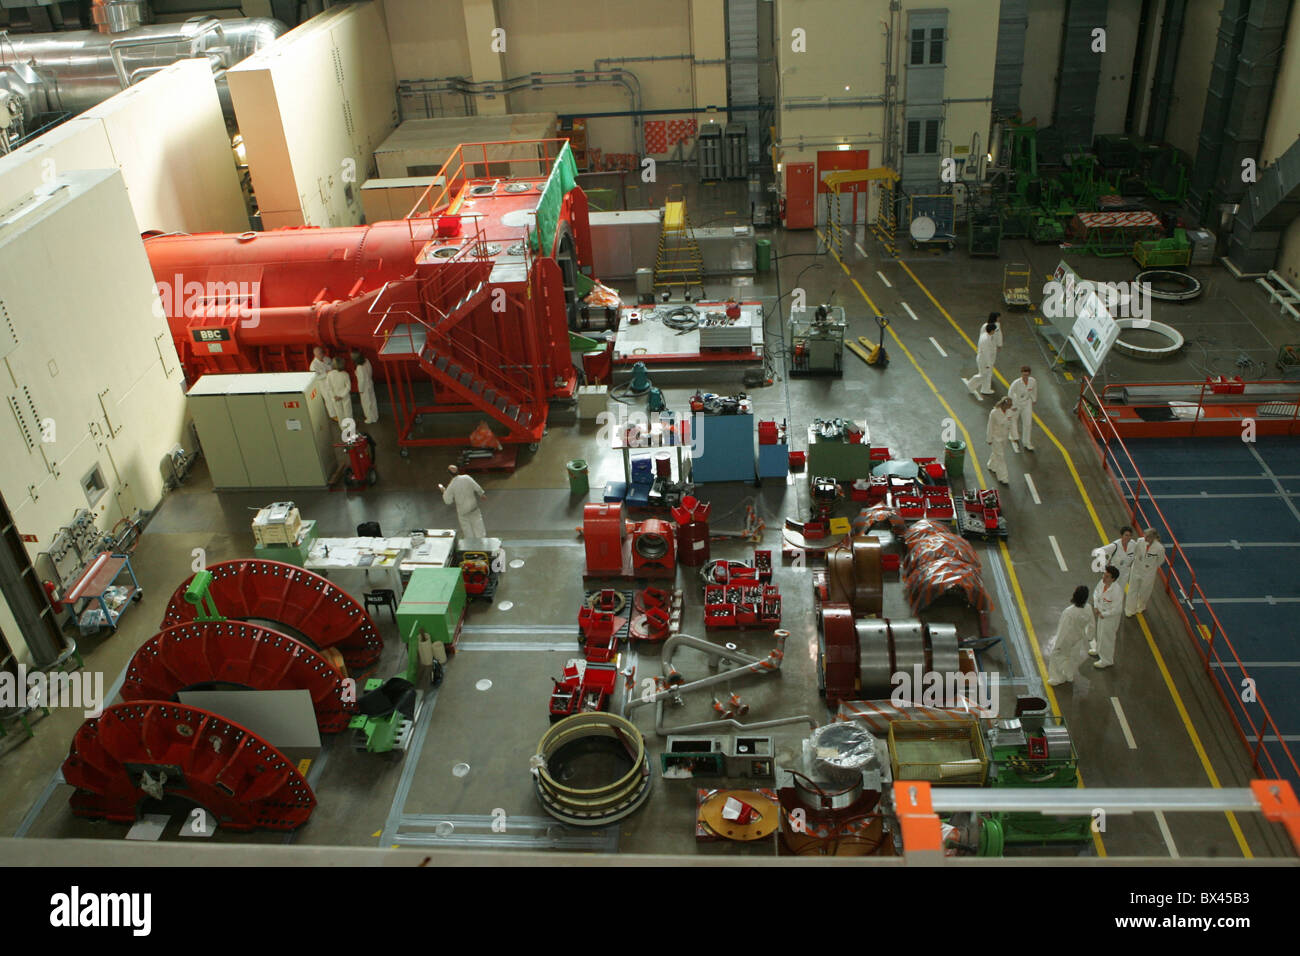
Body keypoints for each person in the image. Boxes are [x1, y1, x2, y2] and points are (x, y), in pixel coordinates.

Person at [1046, 585, 1094, 685]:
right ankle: (1069, 675)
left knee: (1058, 656)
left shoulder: (1069, 612)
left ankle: (1057, 678)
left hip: (1067, 639)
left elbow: (1062, 630)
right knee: (1073, 658)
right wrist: (1089, 636)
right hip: (1079, 638)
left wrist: (1058, 644)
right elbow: (1092, 624)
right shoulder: (1088, 608)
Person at [1125, 527, 1167, 616]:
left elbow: (1161, 560)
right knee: (1132, 589)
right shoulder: (1140, 541)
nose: (1145, 538)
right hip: (1136, 569)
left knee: (1145, 591)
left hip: (1148, 573)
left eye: (1147, 537)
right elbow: (1135, 552)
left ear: (1153, 538)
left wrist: (1151, 566)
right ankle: (1129, 609)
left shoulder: (1159, 548)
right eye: (1145, 535)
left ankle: (1141, 606)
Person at [1089, 565, 1123, 669]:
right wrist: (1096, 606)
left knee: (1107, 639)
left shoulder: (1117, 591)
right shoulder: (1101, 583)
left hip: (1109, 619)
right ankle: (1098, 650)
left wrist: (1104, 614)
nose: (1104, 577)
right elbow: (1096, 593)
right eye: (1104, 574)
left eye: (1107, 576)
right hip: (1100, 614)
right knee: (1100, 633)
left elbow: (1117, 609)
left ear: (1113, 579)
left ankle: (1107, 660)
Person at [439, 465, 487, 539]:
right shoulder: (466, 478)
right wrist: (481, 494)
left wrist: (444, 491)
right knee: (479, 526)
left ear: (449, 474)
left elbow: (448, 501)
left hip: (463, 512)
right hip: (473, 508)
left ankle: (470, 544)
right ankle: (482, 543)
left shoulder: (451, 485)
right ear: (458, 471)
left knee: (467, 531)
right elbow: (476, 486)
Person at [962, 319, 1000, 398]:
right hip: (984, 360)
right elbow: (986, 353)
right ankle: (970, 385)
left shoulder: (986, 336)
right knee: (983, 375)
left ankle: (986, 389)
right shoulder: (986, 339)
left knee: (987, 374)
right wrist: (988, 364)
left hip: (984, 359)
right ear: (992, 331)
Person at [1007, 365, 1038, 451]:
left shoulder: (1033, 381)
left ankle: (1027, 442)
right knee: (1014, 419)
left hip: (1027, 403)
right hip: (1017, 403)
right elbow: (1010, 393)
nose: (1025, 377)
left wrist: (1034, 399)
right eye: (1024, 375)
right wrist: (1012, 405)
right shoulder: (1016, 383)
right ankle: (1012, 435)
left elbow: (1034, 390)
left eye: (1027, 375)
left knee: (1028, 423)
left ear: (1029, 374)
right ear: (1021, 374)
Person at [985, 397, 1015, 485]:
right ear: (1004, 404)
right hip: (995, 437)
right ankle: (1003, 477)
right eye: (1009, 405)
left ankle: (991, 465)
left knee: (997, 453)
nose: (1010, 406)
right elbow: (990, 426)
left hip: (1004, 437)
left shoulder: (1010, 412)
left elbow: (1012, 424)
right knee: (1001, 457)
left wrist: (1013, 436)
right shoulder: (994, 413)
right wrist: (989, 438)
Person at [310, 346, 338, 420]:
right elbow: (316, 377)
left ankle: (338, 412)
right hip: (323, 385)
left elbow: (333, 366)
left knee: (334, 398)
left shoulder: (327, 359)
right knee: (328, 400)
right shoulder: (313, 365)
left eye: (322, 353)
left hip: (332, 382)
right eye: (320, 354)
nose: (322, 355)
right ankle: (333, 415)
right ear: (315, 355)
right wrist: (326, 373)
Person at [352, 350, 379, 424]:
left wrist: (360, 389)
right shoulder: (367, 361)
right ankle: (375, 416)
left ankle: (369, 418)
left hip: (364, 387)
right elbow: (371, 370)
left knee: (366, 403)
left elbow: (361, 380)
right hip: (370, 382)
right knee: (373, 400)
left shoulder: (359, 367)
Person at [325, 357, 353, 427]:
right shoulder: (345, 374)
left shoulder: (329, 374)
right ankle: (350, 429)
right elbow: (348, 387)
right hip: (345, 397)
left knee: (340, 414)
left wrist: (334, 396)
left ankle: (343, 430)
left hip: (335, 398)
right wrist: (342, 396)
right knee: (348, 413)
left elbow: (329, 387)